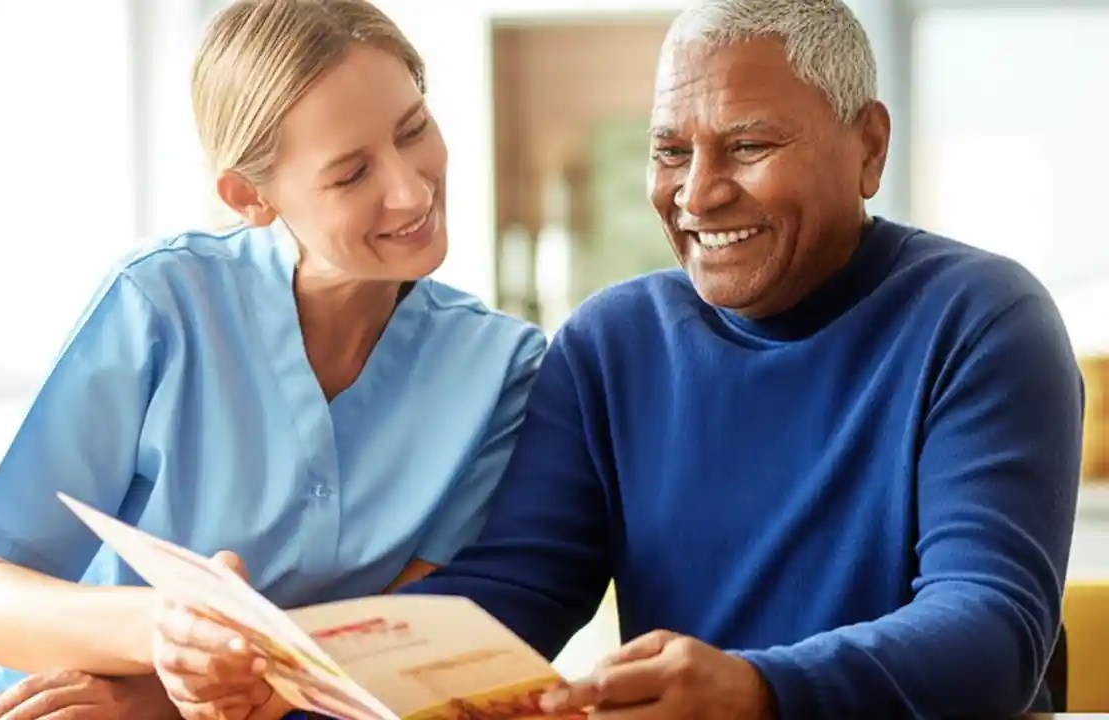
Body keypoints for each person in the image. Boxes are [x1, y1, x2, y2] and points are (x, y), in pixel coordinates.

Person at [164, 1, 1085, 718]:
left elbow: (990, 630)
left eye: (750, 145)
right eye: (669, 151)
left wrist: (757, 694)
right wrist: (285, 674)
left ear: (868, 145)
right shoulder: (612, 344)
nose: (698, 192)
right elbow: (506, 600)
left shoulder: (980, 320)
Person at [0, 1, 545, 718]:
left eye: (415, 130)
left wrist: (160, 697)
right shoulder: (159, 302)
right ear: (248, 195)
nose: (411, 189)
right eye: (351, 175)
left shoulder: (501, 368)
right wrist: (167, 632)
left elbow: (385, 645)